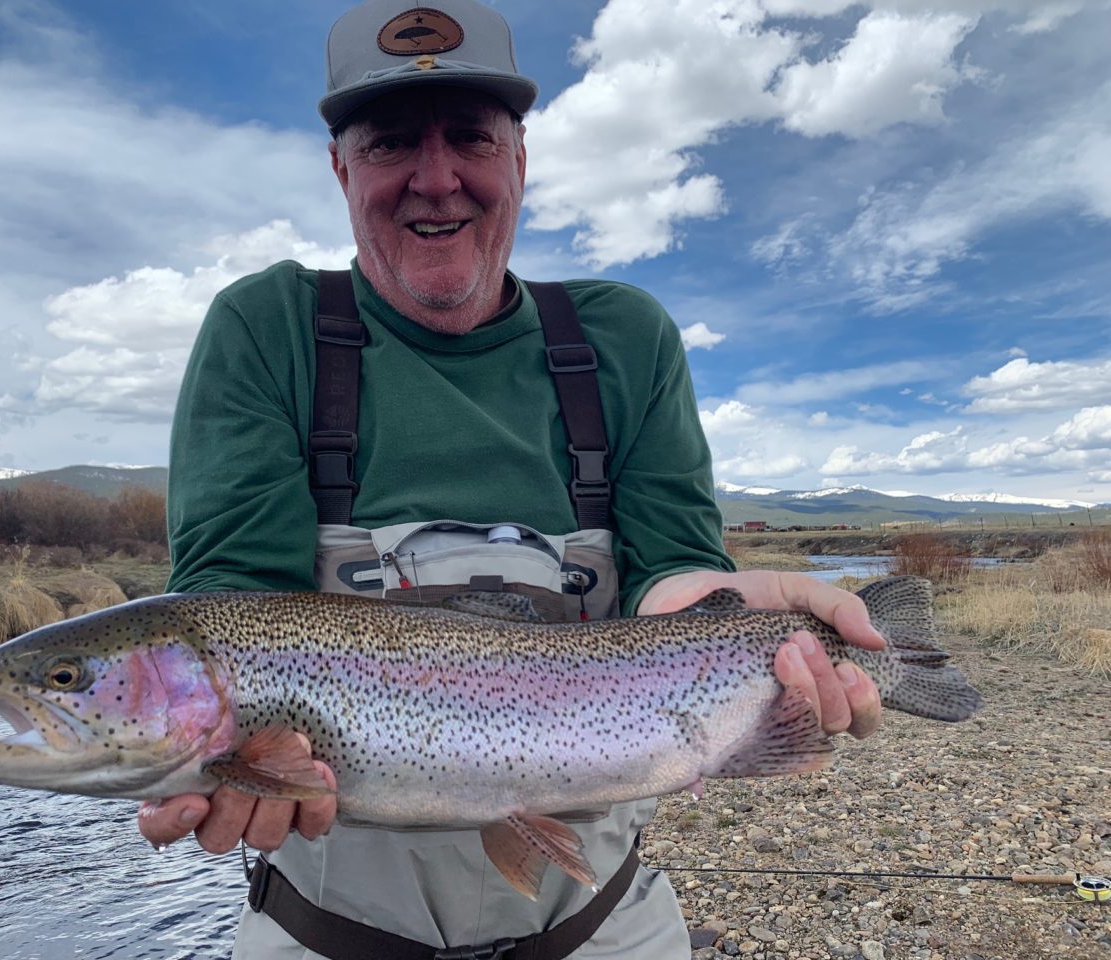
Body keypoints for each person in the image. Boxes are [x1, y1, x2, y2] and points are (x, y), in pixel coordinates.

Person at [139, 1, 885, 957]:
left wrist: (733, 614)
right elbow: (227, 600)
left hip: (600, 920)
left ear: (520, 158)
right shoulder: (267, 328)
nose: (437, 178)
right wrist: (215, 746)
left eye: (473, 140)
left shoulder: (624, 338)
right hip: (325, 928)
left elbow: (677, 569)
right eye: (392, 141)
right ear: (340, 167)